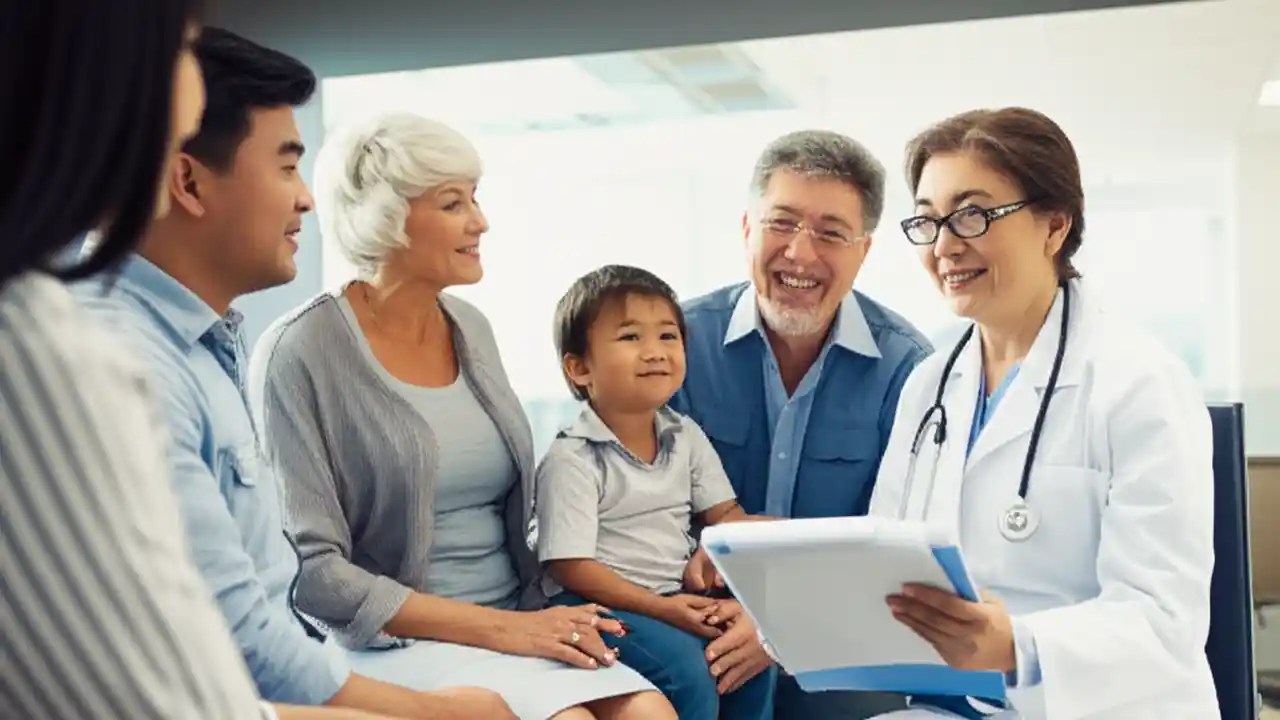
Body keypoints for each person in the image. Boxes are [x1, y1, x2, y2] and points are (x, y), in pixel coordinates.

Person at [74, 28, 510, 719]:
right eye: (285, 167)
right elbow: (240, 643)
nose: (306, 200)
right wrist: (429, 711)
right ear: (187, 179)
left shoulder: (207, 347)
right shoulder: (119, 361)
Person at [249, 111, 673, 720]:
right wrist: (500, 631)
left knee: (651, 714)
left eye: (474, 199)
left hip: (515, 619)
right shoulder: (299, 351)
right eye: (453, 204)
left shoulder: (471, 328)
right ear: (386, 217)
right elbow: (316, 578)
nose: (480, 221)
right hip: (399, 644)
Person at [868, 107, 1218, 719]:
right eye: (928, 221)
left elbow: (1165, 622)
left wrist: (1017, 646)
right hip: (958, 705)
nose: (945, 245)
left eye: (972, 215)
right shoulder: (930, 383)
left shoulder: (1139, 382)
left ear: (1055, 225)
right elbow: (885, 552)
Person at [669, 129, 932, 717]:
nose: (800, 254)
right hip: (695, 634)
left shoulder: (911, 370)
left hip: (844, 651)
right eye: (781, 223)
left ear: (864, 250)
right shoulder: (674, 346)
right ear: (746, 230)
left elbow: (902, 549)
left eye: (831, 233)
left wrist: (777, 624)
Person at [539, 264, 779, 719]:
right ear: (580, 367)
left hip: (673, 598)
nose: (655, 352)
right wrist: (664, 610)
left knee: (749, 659)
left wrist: (799, 539)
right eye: (631, 338)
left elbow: (726, 516)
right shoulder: (572, 458)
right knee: (690, 672)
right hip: (595, 605)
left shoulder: (685, 434)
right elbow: (570, 567)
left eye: (668, 336)